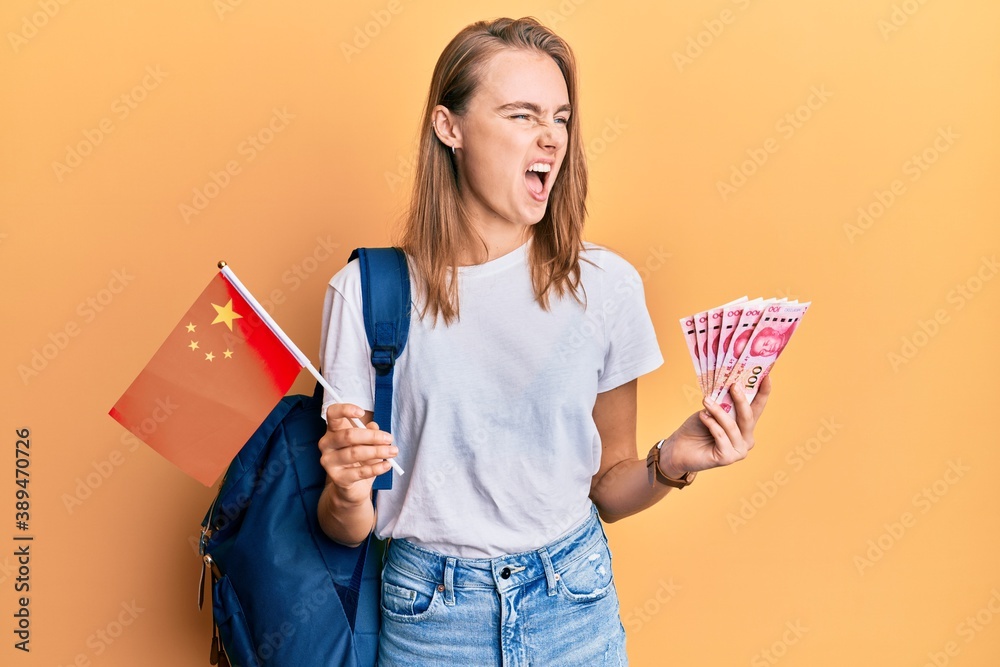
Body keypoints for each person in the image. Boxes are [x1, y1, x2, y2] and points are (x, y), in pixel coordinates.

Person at [316, 17, 771, 666]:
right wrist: (346, 490)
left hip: (573, 603)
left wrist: (673, 460)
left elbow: (610, 486)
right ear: (450, 128)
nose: (550, 138)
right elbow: (346, 526)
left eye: (559, 117)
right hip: (430, 614)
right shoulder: (365, 292)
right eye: (521, 114)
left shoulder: (605, 285)